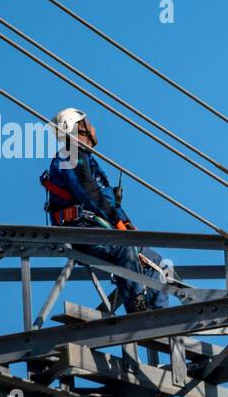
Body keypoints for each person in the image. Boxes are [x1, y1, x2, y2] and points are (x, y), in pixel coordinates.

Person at [40, 108, 169, 313]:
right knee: (123, 245)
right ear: (80, 127)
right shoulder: (70, 155)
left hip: (101, 228)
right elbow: (89, 193)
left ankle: (162, 317)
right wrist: (118, 223)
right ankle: (138, 307)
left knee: (157, 263)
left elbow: (105, 198)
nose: (93, 126)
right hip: (80, 230)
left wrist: (125, 223)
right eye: (88, 121)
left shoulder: (88, 160)